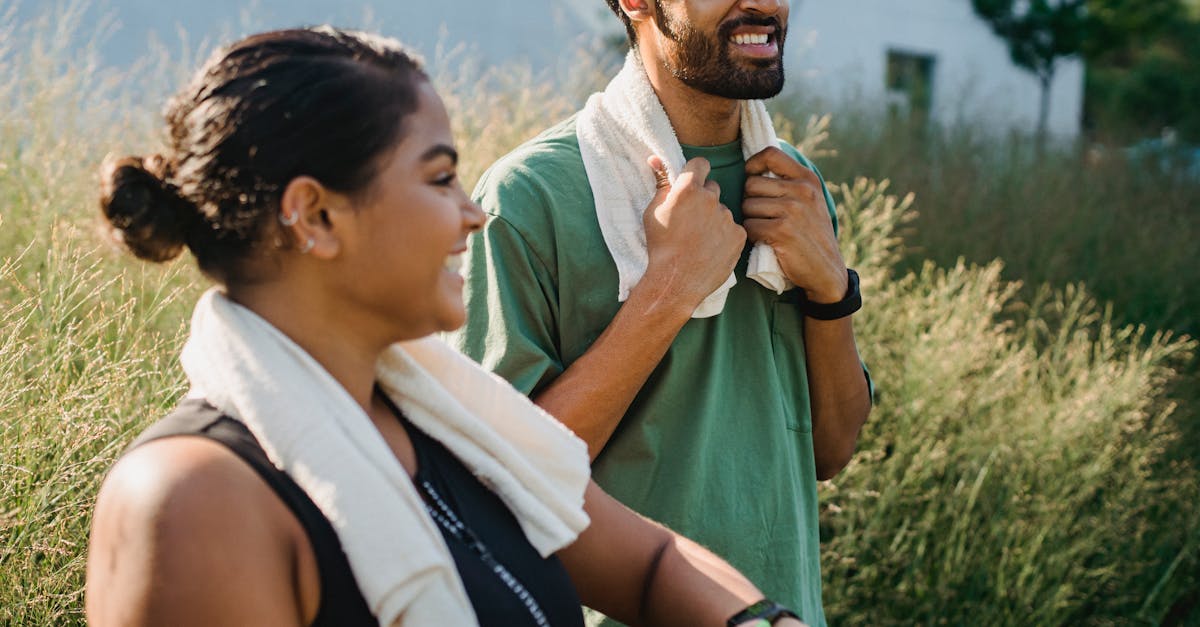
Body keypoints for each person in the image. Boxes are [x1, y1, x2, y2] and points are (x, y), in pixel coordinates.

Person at [84, 26, 808, 627]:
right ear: (315, 216)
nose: (474, 210)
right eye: (438, 179)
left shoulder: (447, 418)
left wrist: (763, 622)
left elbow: (651, 565)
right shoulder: (193, 500)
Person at [452, 1, 873, 626]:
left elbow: (832, 451)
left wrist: (832, 289)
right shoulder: (526, 201)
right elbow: (496, 484)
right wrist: (668, 289)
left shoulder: (794, 188)